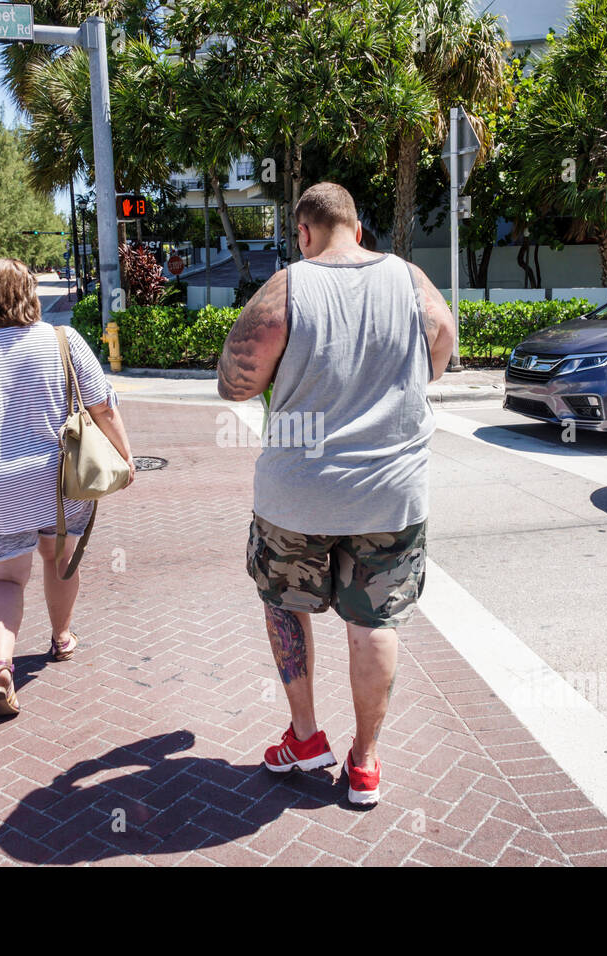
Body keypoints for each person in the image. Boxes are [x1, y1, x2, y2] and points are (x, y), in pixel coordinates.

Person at [217, 182, 455, 805]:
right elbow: (440, 350)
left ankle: (303, 736)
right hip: (391, 492)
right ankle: (365, 761)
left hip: (297, 495)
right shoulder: (410, 281)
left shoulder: (287, 288)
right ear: (355, 227)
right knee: (373, 622)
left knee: (283, 601)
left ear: (303, 232)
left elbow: (235, 382)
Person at [0, 258, 134, 717]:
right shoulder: (63, 339)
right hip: (57, 477)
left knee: (4, 577)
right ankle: (61, 639)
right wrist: (125, 455)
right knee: (59, 559)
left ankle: (2, 666)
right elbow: (102, 408)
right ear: (32, 294)